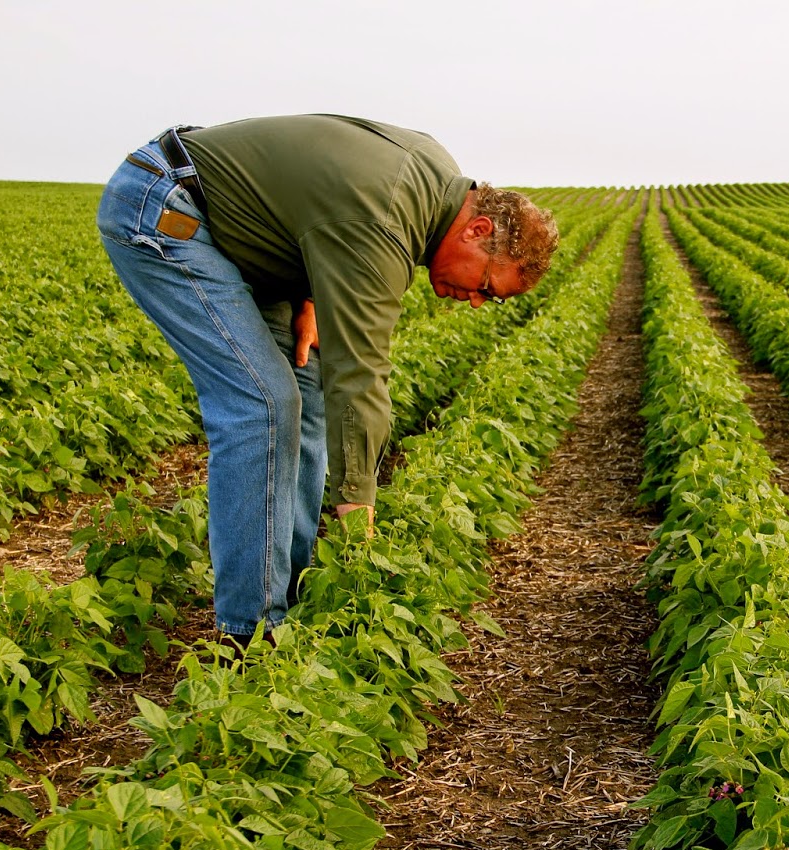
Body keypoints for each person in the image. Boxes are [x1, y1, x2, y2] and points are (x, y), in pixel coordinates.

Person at [95, 115, 558, 642]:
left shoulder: (437, 178)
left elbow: (326, 210)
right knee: (261, 405)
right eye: (486, 286)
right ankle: (252, 632)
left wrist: (312, 299)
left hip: (246, 240)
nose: (476, 300)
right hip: (168, 212)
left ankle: (293, 590)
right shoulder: (386, 221)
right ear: (478, 230)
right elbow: (359, 376)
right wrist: (357, 510)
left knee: (305, 385)